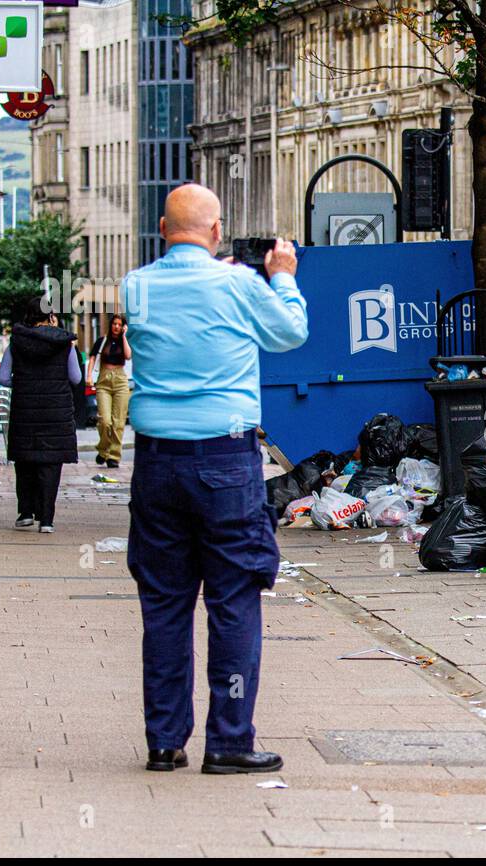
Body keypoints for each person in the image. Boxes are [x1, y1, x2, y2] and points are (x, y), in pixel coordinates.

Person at [122, 183, 308, 776]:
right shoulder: (239, 284)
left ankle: (163, 740)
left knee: (165, 604)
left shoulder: (137, 287)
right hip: (225, 461)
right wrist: (280, 275)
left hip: (156, 463)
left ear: (161, 227)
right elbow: (288, 333)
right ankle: (228, 742)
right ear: (217, 231)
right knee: (233, 600)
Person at [0, 302, 82, 534]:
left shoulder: (16, 342)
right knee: (50, 464)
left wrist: (24, 382)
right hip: (56, 412)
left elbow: (2, 377)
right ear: (51, 317)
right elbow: (75, 378)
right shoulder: (65, 343)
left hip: (25, 409)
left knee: (25, 461)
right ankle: (46, 519)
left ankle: (25, 513)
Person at [88, 314, 132, 468]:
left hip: (120, 380)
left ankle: (113, 456)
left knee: (118, 421)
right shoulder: (102, 341)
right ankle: (103, 449)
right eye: (115, 324)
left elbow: (128, 355)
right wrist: (88, 376)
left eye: (120, 325)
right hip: (104, 380)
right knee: (105, 421)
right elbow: (93, 357)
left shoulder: (123, 341)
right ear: (110, 325)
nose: (117, 327)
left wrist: (125, 336)